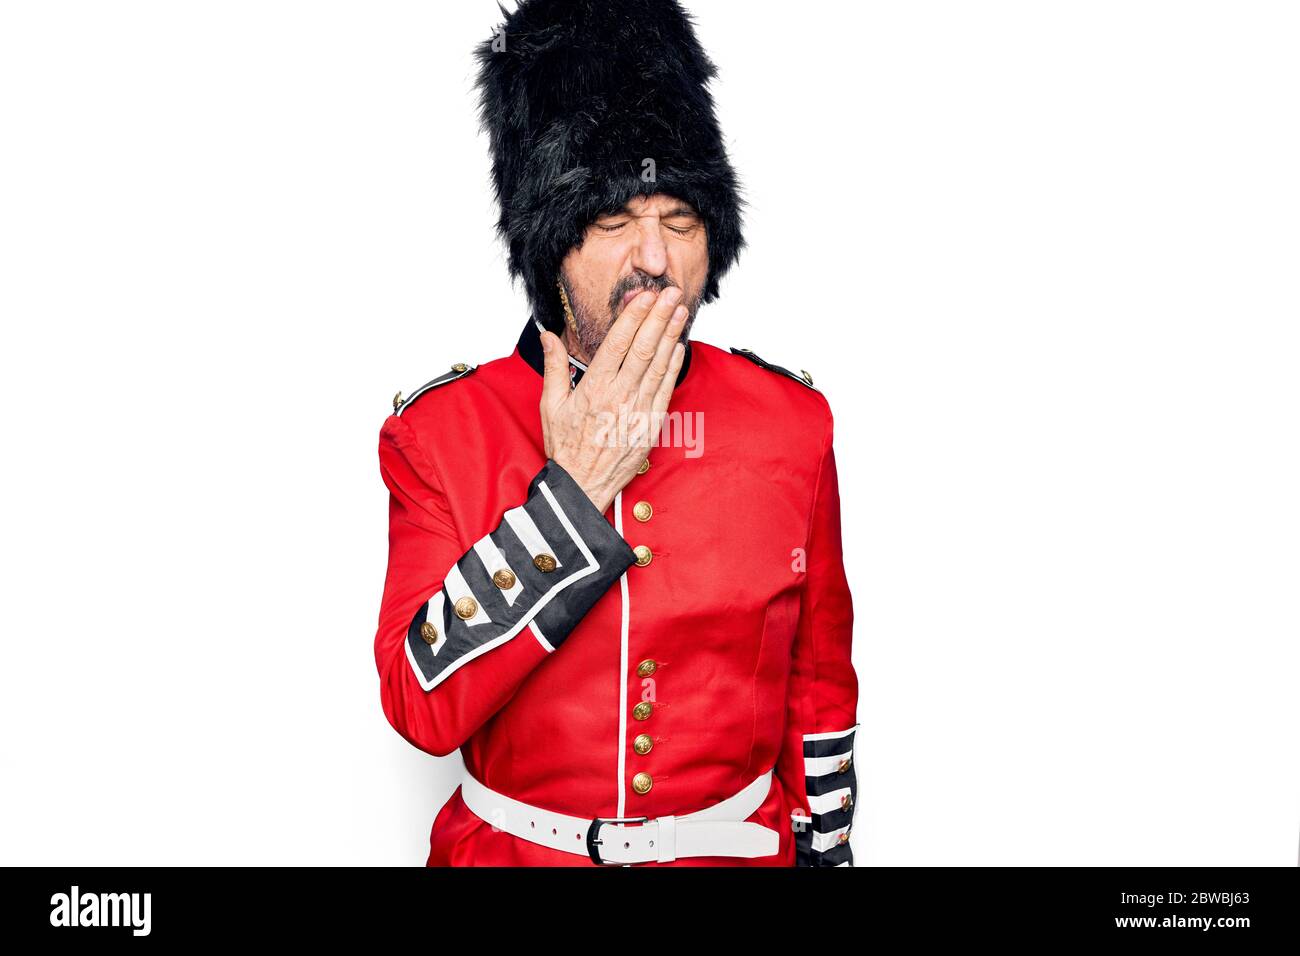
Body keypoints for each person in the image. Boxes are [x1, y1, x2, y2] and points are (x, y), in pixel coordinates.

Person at [374, 0, 859, 866]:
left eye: (681, 223)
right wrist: (575, 494)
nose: (657, 260)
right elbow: (421, 706)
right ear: (552, 247)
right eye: (612, 224)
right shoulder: (439, 433)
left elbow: (818, 691)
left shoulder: (792, 422)